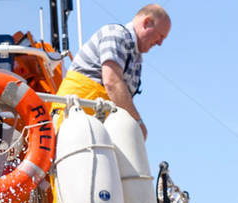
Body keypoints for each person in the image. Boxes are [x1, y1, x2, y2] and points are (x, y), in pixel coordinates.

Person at [55, 5, 170, 139]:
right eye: (160, 36)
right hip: (72, 119)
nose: (160, 43)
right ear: (146, 23)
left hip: (98, 127)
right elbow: (112, 83)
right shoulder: (116, 34)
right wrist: (137, 123)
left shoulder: (136, 61)